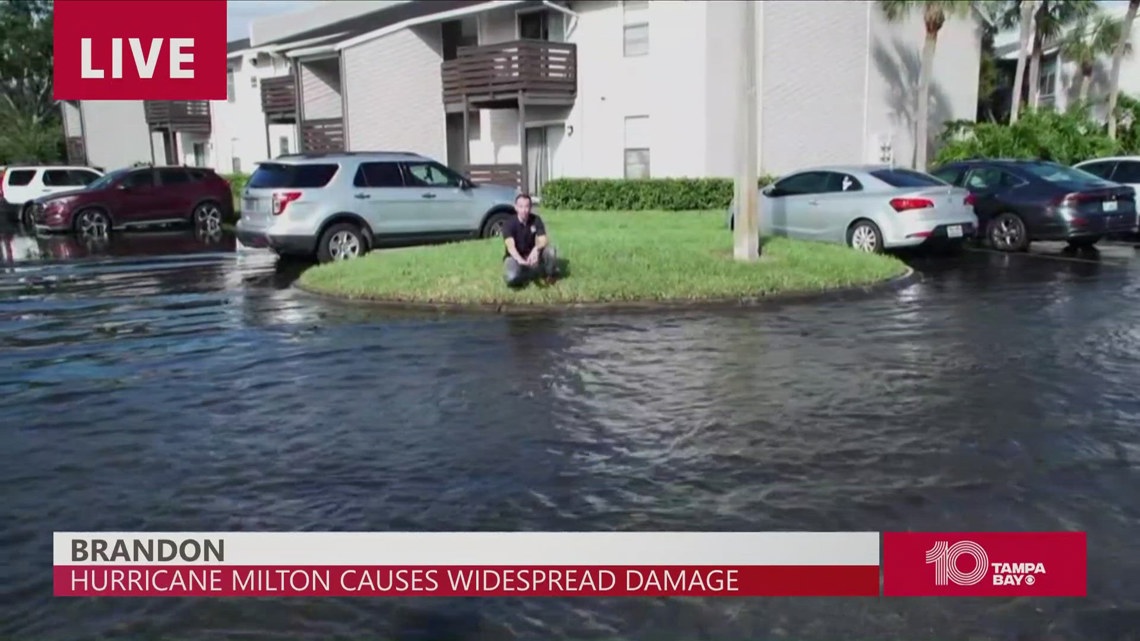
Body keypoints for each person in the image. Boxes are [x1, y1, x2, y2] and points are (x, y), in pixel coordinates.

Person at [503, 193, 558, 287]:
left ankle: (550, 275)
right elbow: (510, 246)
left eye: (527, 207)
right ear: (516, 207)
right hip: (514, 257)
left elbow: (544, 239)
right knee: (511, 278)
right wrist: (520, 260)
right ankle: (527, 273)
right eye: (521, 207)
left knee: (551, 251)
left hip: (531, 255)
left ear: (530, 207)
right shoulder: (509, 223)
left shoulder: (536, 219)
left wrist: (536, 249)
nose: (524, 210)